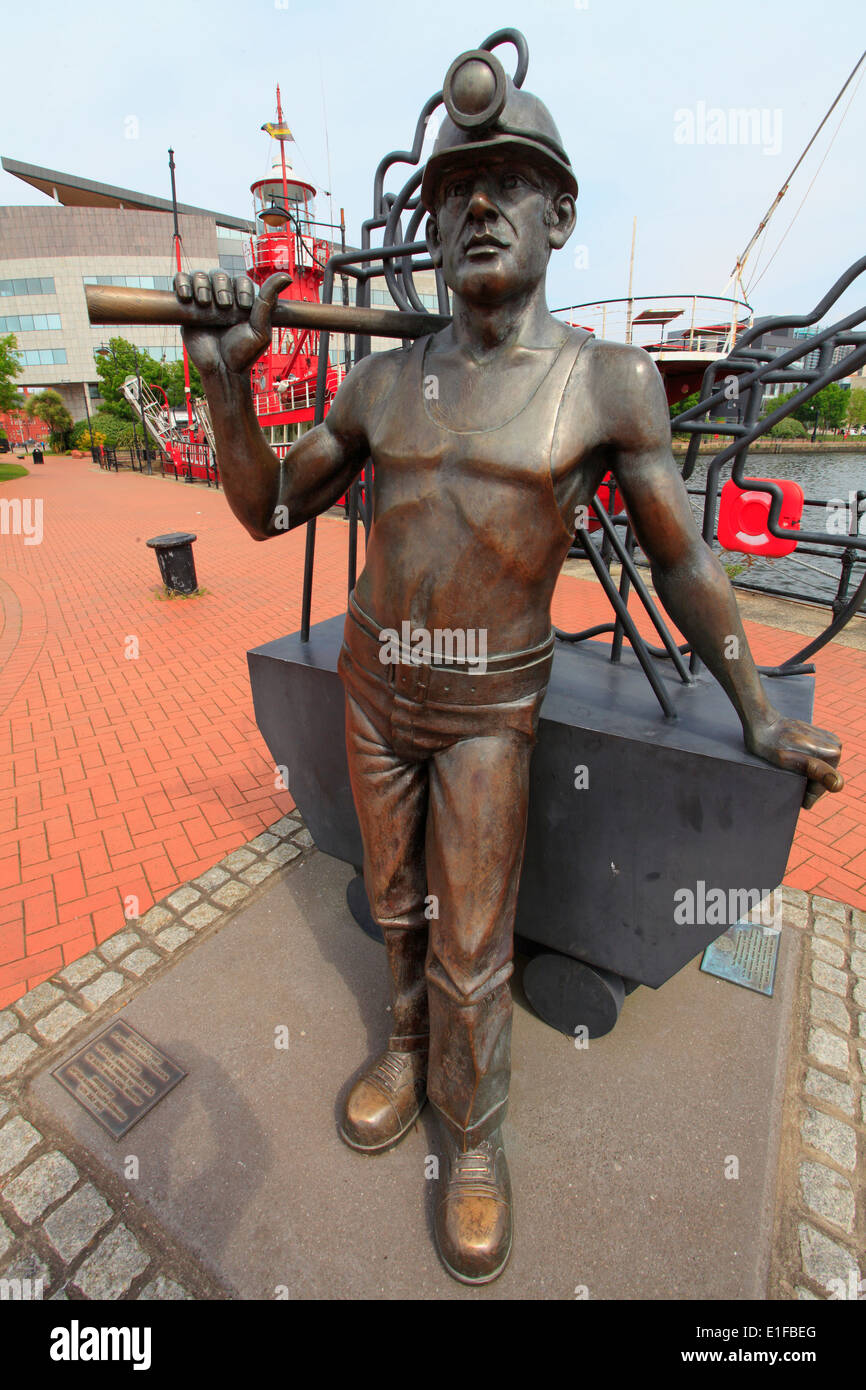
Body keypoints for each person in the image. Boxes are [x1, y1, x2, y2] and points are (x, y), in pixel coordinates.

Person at [174, 49, 843, 1285]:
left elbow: (683, 559)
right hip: (376, 687)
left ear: (559, 215)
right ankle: (401, 1049)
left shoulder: (605, 382)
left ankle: (472, 1133)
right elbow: (265, 509)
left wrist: (755, 712)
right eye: (453, 191)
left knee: (473, 937)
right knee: (392, 902)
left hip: (490, 708)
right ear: (432, 227)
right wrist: (224, 376)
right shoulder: (382, 381)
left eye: (509, 184)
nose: (477, 206)